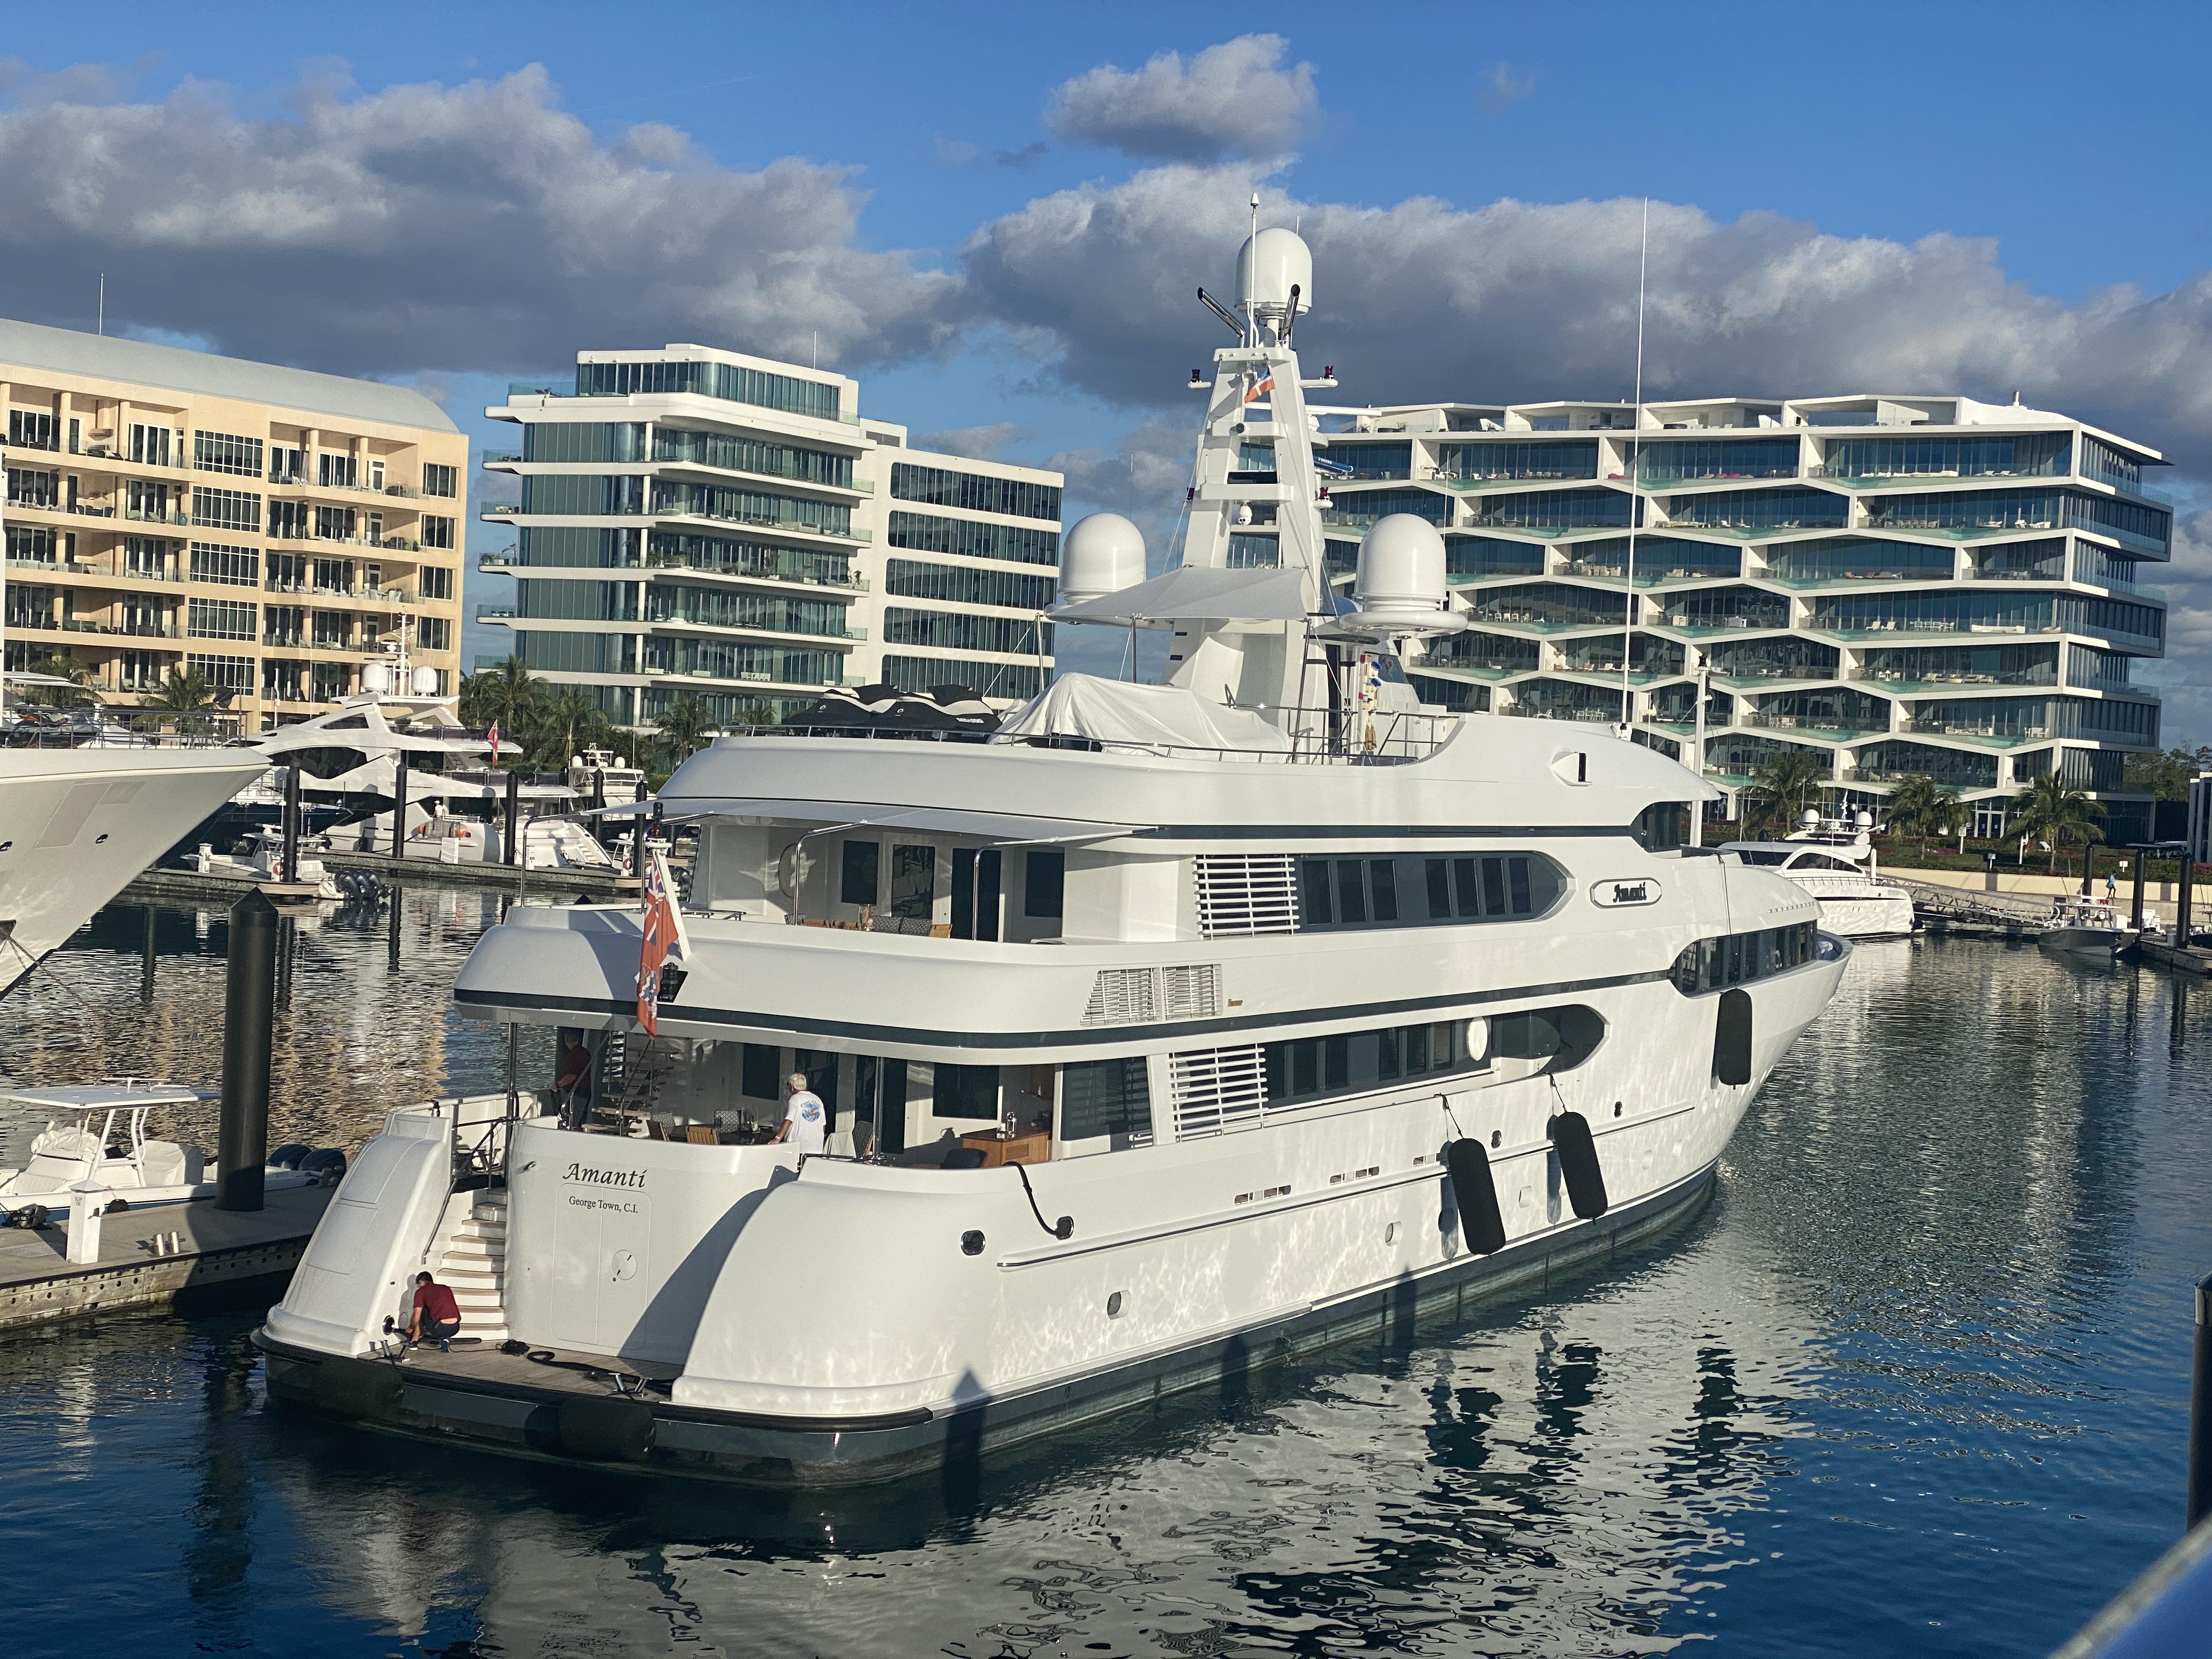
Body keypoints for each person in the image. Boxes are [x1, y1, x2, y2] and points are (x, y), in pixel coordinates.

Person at [772, 1071, 827, 1156]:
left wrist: (777, 1138)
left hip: (799, 1146)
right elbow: (823, 1124)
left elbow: (789, 1120)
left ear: (792, 1087)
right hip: (817, 1147)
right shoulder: (817, 1099)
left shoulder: (795, 1098)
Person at [410, 1271, 461, 1352]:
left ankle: (414, 1342)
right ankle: (445, 1339)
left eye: (418, 1285)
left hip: (439, 1329)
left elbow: (416, 1317)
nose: (418, 1287)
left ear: (421, 1282)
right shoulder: (445, 1288)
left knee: (421, 1311)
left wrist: (410, 1328)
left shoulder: (421, 1291)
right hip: (455, 1327)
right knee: (440, 1312)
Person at [555, 1031, 593, 1127]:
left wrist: (558, 1085)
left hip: (577, 1093)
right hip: (585, 1091)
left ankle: (573, 1130)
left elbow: (571, 1076)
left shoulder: (574, 1056)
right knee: (581, 1118)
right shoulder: (585, 1053)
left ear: (567, 1041)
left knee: (574, 1120)